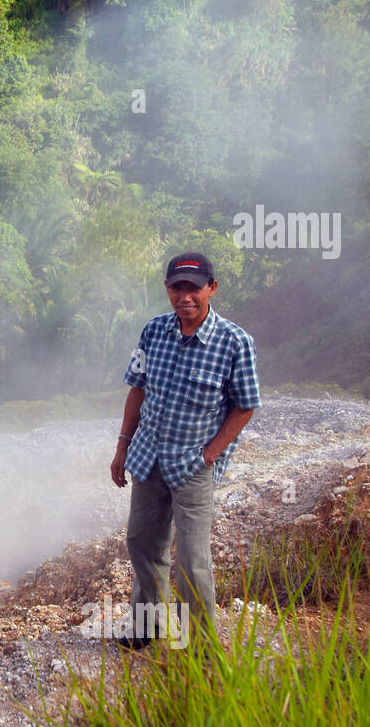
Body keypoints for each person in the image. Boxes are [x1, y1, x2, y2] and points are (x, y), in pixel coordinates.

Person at [110, 252, 260, 651]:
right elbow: (137, 388)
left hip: (192, 466)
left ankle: (202, 647)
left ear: (211, 288)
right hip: (147, 457)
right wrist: (122, 446)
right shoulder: (153, 332)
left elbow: (245, 405)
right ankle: (147, 626)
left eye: (194, 288)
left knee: (192, 561)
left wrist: (210, 454)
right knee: (143, 544)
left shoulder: (234, 342)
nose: (185, 296)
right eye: (177, 287)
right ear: (167, 289)